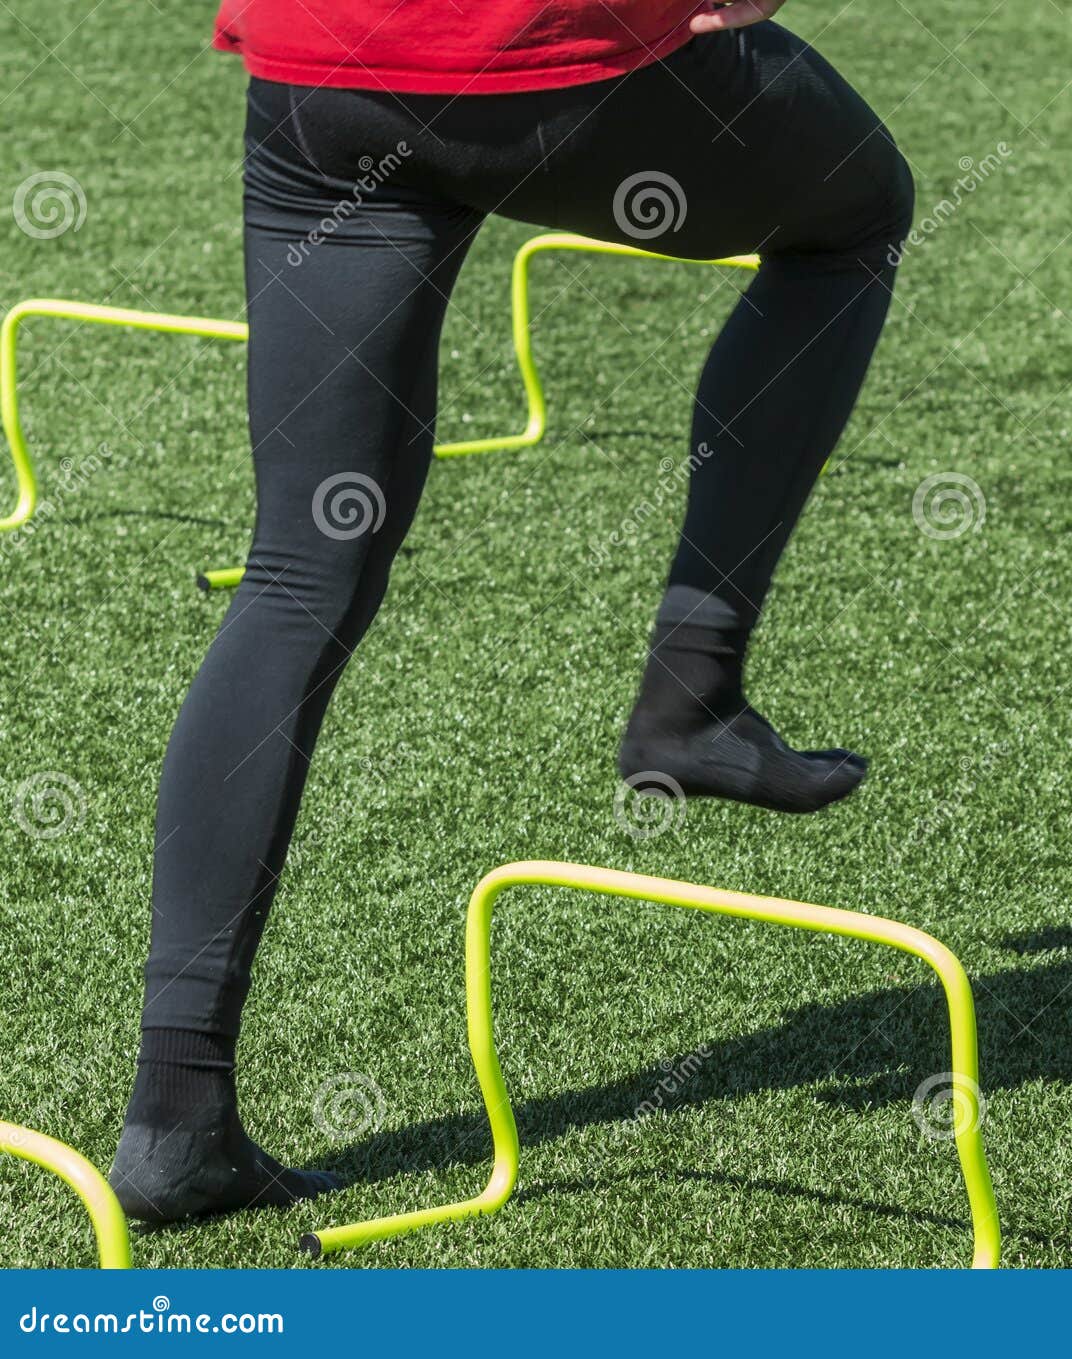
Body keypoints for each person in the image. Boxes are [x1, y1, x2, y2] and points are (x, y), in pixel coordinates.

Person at [108, 0, 913, 1224]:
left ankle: (175, 1119)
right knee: (854, 213)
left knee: (294, 576)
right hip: (544, 60)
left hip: (321, 75)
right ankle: (691, 691)